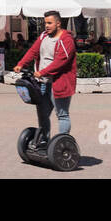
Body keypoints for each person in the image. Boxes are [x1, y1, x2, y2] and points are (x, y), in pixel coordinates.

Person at [13, 11, 77, 147]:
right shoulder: (43, 36)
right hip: (43, 83)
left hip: (59, 83)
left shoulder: (66, 40)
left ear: (58, 23)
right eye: (45, 23)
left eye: (49, 23)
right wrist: (21, 64)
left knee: (62, 114)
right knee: (42, 113)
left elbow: (61, 61)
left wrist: (43, 72)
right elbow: (33, 51)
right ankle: (44, 141)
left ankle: (62, 144)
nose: (46, 26)